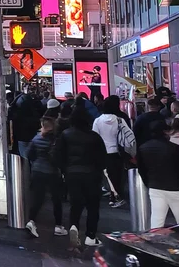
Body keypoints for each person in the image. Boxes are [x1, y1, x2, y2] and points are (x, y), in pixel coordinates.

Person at [54, 101, 107, 248]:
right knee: (93, 206)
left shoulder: (65, 135)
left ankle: (74, 226)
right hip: (91, 174)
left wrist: (64, 170)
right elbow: (102, 157)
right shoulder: (94, 137)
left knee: (75, 203)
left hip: (72, 173)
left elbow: (58, 155)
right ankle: (90, 235)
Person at [138, 120, 179, 228]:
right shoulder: (175, 148)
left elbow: (142, 170)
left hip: (155, 187)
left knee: (157, 220)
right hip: (177, 188)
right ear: (165, 132)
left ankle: (154, 242)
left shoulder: (143, 148)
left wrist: (149, 184)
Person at [25, 117, 67, 238]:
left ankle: (31, 221)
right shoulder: (56, 139)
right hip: (52, 172)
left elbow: (29, 154)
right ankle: (58, 226)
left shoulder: (36, 138)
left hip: (37, 171)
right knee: (56, 200)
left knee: (38, 199)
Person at [92, 95, 137, 208]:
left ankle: (111, 194)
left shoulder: (97, 120)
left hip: (103, 151)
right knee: (118, 175)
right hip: (117, 151)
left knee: (107, 175)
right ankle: (116, 196)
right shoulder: (119, 120)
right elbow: (128, 135)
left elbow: (95, 136)